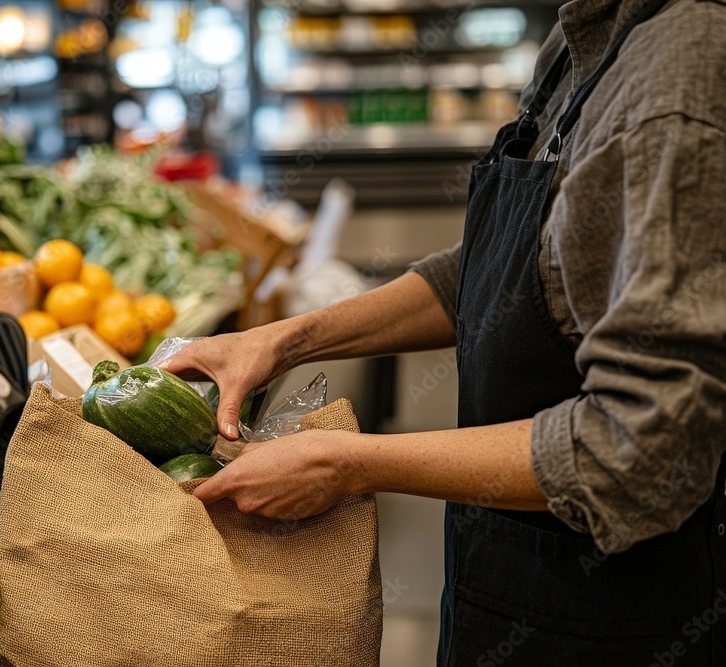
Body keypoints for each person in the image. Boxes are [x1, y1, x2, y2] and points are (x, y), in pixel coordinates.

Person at [158, 0, 726, 663]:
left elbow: (640, 446)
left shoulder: (679, 78)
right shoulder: (579, 39)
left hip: (622, 619)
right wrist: (282, 339)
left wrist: (353, 462)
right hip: (510, 576)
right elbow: (501, 271)